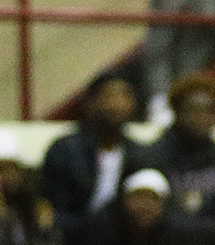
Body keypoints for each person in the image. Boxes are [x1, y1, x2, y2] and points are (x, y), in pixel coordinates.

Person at [40, 71, 154, 232]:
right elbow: (52, 211)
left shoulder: (139, 153)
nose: (117, 104)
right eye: (109, 96)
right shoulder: (65, 149)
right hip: (74, 238)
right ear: (92, 102)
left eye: (125, 96)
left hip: (122, 244)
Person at [144, 71, 215, 220]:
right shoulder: (152, 156)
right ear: (177, 112)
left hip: (214, 239)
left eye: (208, 111)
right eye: (193, 110)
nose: (201, 118)